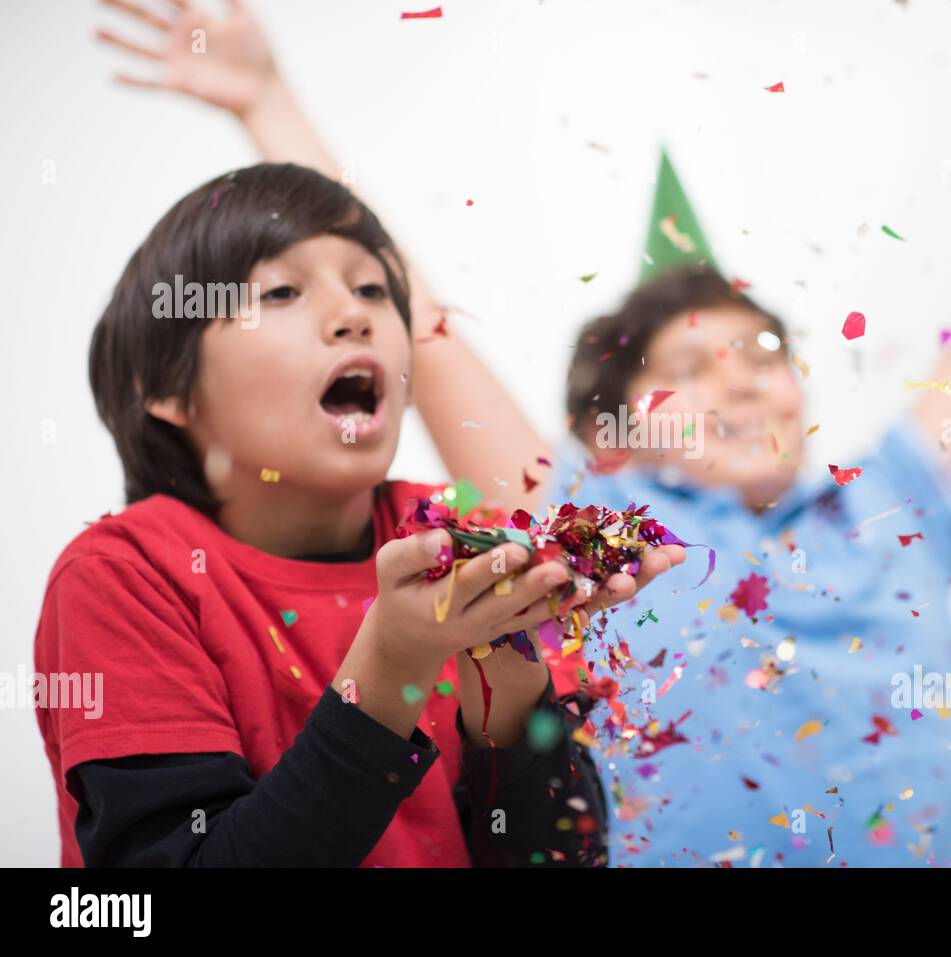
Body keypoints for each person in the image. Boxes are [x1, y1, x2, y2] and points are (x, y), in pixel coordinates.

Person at [95, 0, 951, 865]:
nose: (746, 385)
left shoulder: (896, 505)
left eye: (766, 356)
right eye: (690, 368)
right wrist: (266, 97)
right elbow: (403, 313)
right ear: (613, 432)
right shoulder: (593, 526)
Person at [34, 160, 683, 867]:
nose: (355, 314)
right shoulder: (124, 576)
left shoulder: (466, 537)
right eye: (281, 290)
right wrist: (391, 665)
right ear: (164, 384)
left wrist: (508, 696)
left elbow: (561, 855)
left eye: (373, 287)